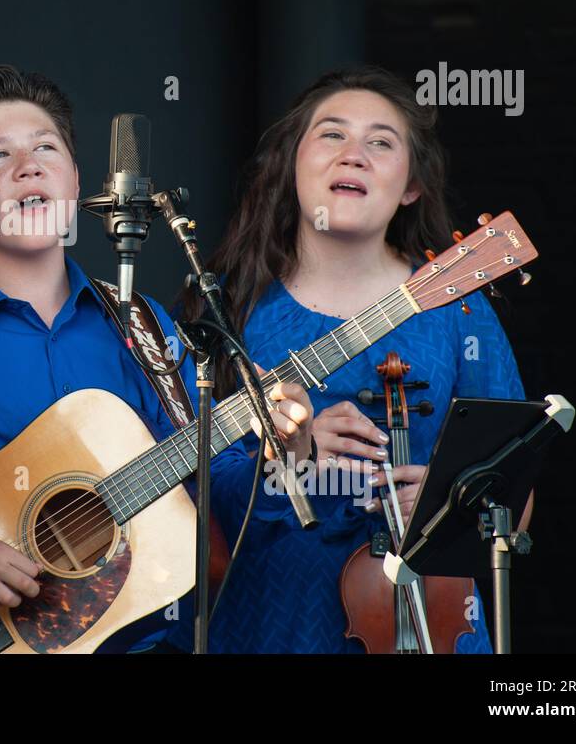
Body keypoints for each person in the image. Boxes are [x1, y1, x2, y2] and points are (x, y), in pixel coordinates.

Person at [0, 65, 312, 642]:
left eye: (46, 148)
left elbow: (217, 499)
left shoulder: (140, 324)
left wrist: (280, 457)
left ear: (74, 182)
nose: (29, 165)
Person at [174, 65, 526, 653]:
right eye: (332, 134)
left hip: (425, 625)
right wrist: (288, 456)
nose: (354, 154)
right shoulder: (228, 307)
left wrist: (451, 505)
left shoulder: (459, 312)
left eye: (382, 142)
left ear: (411, 185)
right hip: (271, 625)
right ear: (293, 165)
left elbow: (515, 491)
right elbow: (188, 499)